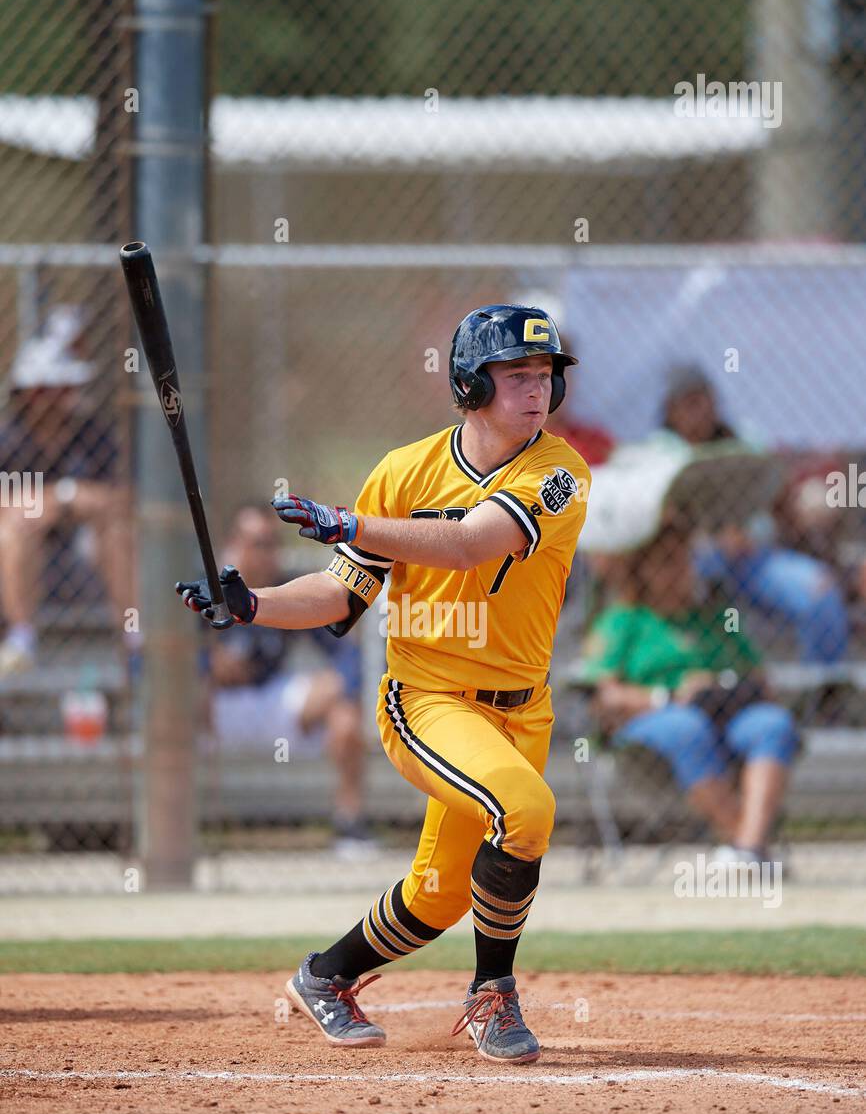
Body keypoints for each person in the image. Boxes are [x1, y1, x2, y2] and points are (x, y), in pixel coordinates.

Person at [177, 304, 591, 1062]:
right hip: (427, 701)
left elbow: (471, 544)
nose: (536, 392)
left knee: (439, 891)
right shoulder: (402, 472)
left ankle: (324, 976)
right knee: (526, 811)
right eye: (516, 376)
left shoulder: (559, 472)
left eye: (544, 377)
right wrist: (252, 606)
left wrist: (348, 523)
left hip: (522, 711)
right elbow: (342, 594)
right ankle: (492, 996)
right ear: (470, 382)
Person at [580, 515, 800, 862]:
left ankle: (746, 849)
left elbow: (760, 681)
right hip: (654, 725)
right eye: (667, 561)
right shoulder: (624, 620)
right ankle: (751, 848)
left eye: (685, 559)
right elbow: (602, 696)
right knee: (686, 725)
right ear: (642, 569)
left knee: (772, 723)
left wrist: (719, 688)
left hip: (724, 717)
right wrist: (670, 697)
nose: (681, 569)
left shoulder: (715, 618)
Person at [655, 365, 849, 666]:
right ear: (670, 410)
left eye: (705, 399)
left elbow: (779, 499)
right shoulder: (659, 452)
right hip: (691, 563)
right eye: (689, 403)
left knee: (819, 591)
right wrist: (711, 538)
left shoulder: (743, 442)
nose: (700, 411)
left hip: (754, 560)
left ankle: (820, 693)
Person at [206, 504, 373, 854]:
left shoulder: (285, 587)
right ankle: (170, 834)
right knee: (181, 693)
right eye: (257, 543)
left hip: (273, 700)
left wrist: (346, 687)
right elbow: (156, 658)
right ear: (234, 544)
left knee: (344, 710)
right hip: (213, 708)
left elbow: (347, 655)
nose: (268, 554)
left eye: (272, 543)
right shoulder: (206, 585)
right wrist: (208, 663)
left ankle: (349, 825)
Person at [0, 307, 134, 675]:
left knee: (118, 530)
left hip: (84, 543)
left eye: (64, 389)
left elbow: (118, 500)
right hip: (28, 547)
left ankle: (134, 642)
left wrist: (58, 496)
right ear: (28, 395)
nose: (60, 399)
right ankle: (21, 639)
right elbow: (10, 507)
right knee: (13, 529)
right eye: (48, 391)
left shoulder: (90, 434)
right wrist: (70, 499)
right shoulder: (10, 439)